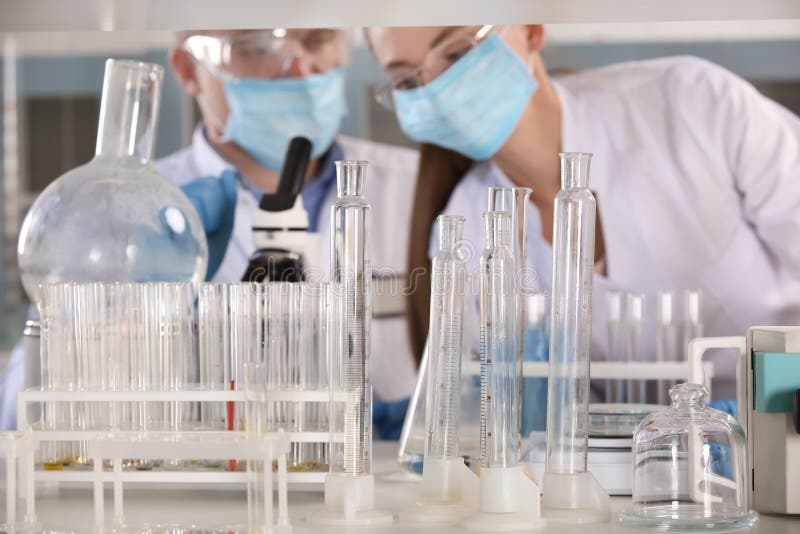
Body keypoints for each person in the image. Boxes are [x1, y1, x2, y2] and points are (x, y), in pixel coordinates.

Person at [0, 28, 419, 437]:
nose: (298, 70)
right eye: (257, 47)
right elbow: (17, 419)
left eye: (317, 41)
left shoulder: (421, 188)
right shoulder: (116, 211)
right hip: (191, 502)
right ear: (187, 69)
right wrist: (120, 317)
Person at [366, 24, 800, 413]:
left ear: (531, 30)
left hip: (782, 442)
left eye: (457, 53)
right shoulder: (467, 225)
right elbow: (503, 412)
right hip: (615, 481)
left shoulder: (694, 104)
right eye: (407, 79)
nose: (437, 87)